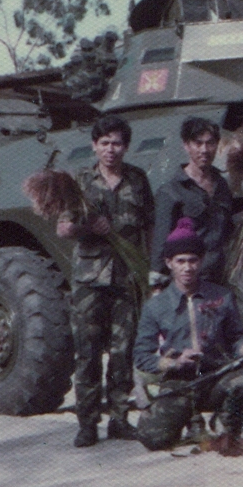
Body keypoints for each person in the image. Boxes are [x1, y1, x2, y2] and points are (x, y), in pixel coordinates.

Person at [133, 219, 243, 454]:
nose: (187, 267)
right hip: (179, 383)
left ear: (201, 261)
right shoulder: (155, 307)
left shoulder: (222, 296)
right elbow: (141, 355)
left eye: (193, 260)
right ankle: (191, 422)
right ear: (169, 263)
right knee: (153, 439)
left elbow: (236, 337)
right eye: (180, 261)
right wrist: (174, 362)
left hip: (215, 378)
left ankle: (227, 432)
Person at [56, 113, 155, 448]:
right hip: (90, 280)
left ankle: (118, 418)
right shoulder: (80, 181)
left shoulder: (138, 180)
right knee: (87, 353)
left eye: (117, 143)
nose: (111, 149)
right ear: (94, 146)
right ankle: (86, 423)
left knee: (122, 351)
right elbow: (64, 228)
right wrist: (88, 228)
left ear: (126, 146)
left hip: (127, 278)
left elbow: (150, 226)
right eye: (105, 143)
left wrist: (150, 269)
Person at [150, 117, 235, 287]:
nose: (204, 150)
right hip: (188, 282)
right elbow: (161, 242)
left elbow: (228, 228)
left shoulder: (222, 185)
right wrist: (157, 285)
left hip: (220, 280)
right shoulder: (171, 191)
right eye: (198, 143)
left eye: (210, 143)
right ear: (186, 145)